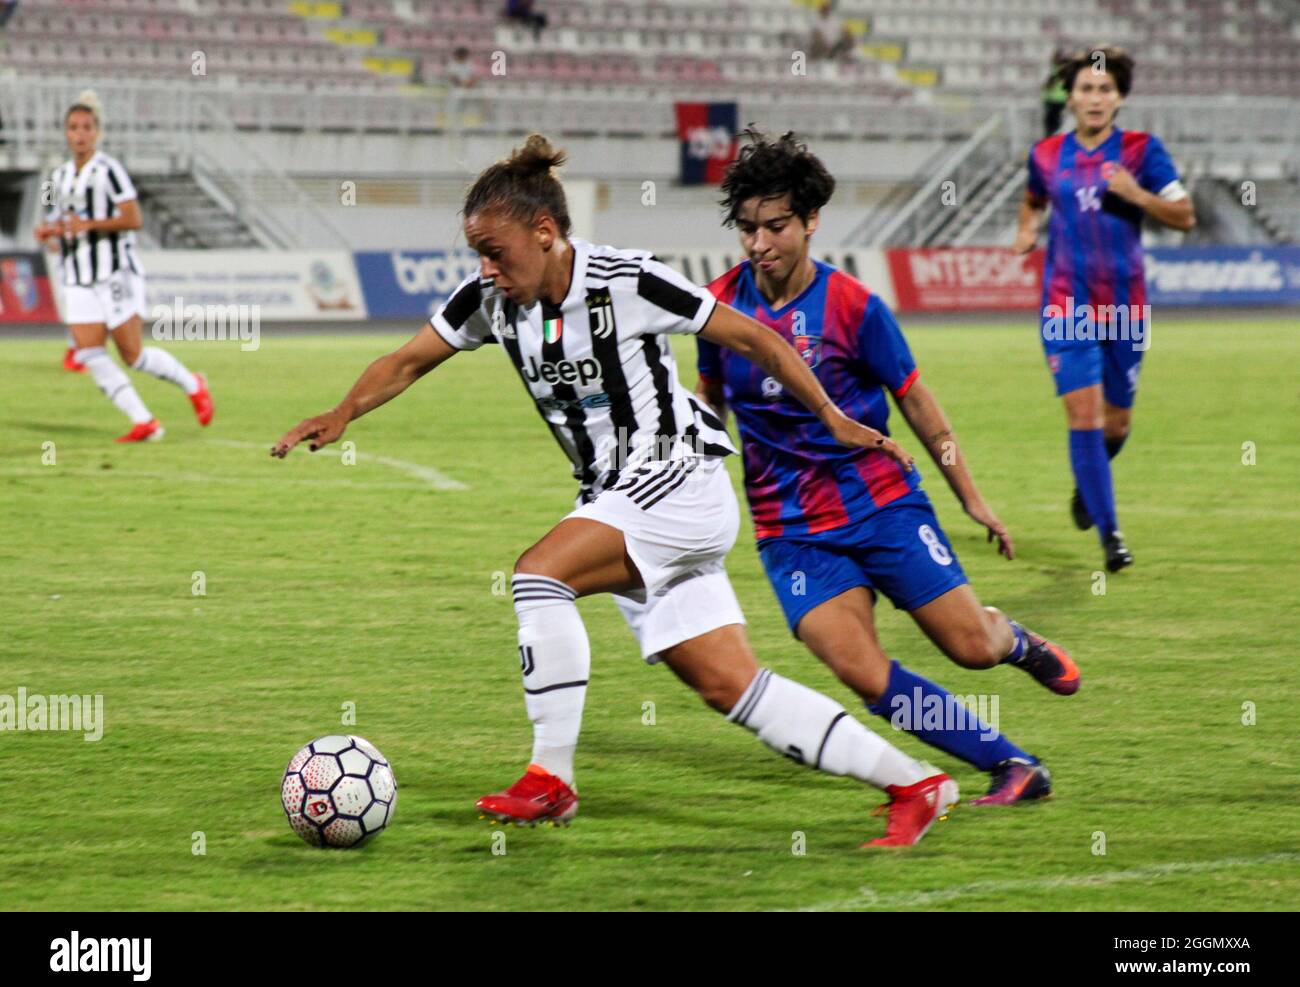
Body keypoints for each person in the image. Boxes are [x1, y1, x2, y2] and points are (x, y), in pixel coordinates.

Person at [273, 134, 960, 847]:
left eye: (495, 250)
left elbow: (755, 338)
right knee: (735, 688)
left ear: (545, 232)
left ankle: (552, 778)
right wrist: (344, 410)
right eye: (476, 251)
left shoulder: (627, 280)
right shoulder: (489, 300)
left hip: (675, 478)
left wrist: (832, 415)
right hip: (620, 498)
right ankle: (915, 782)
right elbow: (408, 360)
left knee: (539, 575)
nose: (485, 267)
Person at [695, 131, 1078, 805]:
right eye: (748, 229)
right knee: (861, 669)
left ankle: (1011, 638)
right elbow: (712, 403)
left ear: (812, 221)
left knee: (970, 647)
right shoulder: (718, 307)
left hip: (882, 503)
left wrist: (972, 499)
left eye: (775, 227)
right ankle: (1012, 764)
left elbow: (922, 409)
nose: (759, 245)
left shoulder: (854, 308)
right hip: (791, 528)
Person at [1013, 48, 1195, 571]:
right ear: (1069, 97)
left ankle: (1087, 487)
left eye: (1105, 89)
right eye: (1086, 89)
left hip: (1126, 307)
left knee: (1115, 425)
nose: (1095, 98)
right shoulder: (1046, 154)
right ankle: (1111, 536)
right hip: (1066, 304)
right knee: (1085, 415)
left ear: (1120, 97)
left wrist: (1136, 194)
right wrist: (1026, 228)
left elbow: (1184, 216)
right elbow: (1032, 199)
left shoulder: (1142, 151)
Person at [34, 91, 213, 441]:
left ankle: (193, 383)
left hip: (115, 273)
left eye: (86, 127)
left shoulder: (109, 171)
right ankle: (145, 422)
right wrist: (46, 231)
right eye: (73, 128)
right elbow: (49, 221)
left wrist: (90, 225)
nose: (80, 134)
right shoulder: (55, 177)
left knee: (132, 354)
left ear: (97, 132)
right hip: (77, 276)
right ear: (66, 133)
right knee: (88, 352)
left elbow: (133, 218)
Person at [1042, 48, 1069, 137]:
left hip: (1059, 99)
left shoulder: (1064, 70)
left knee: (1055, 123)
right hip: (1052, 99)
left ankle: (1054, 138)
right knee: (1051, 123)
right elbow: (1047, 85)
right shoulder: (1054, 69)